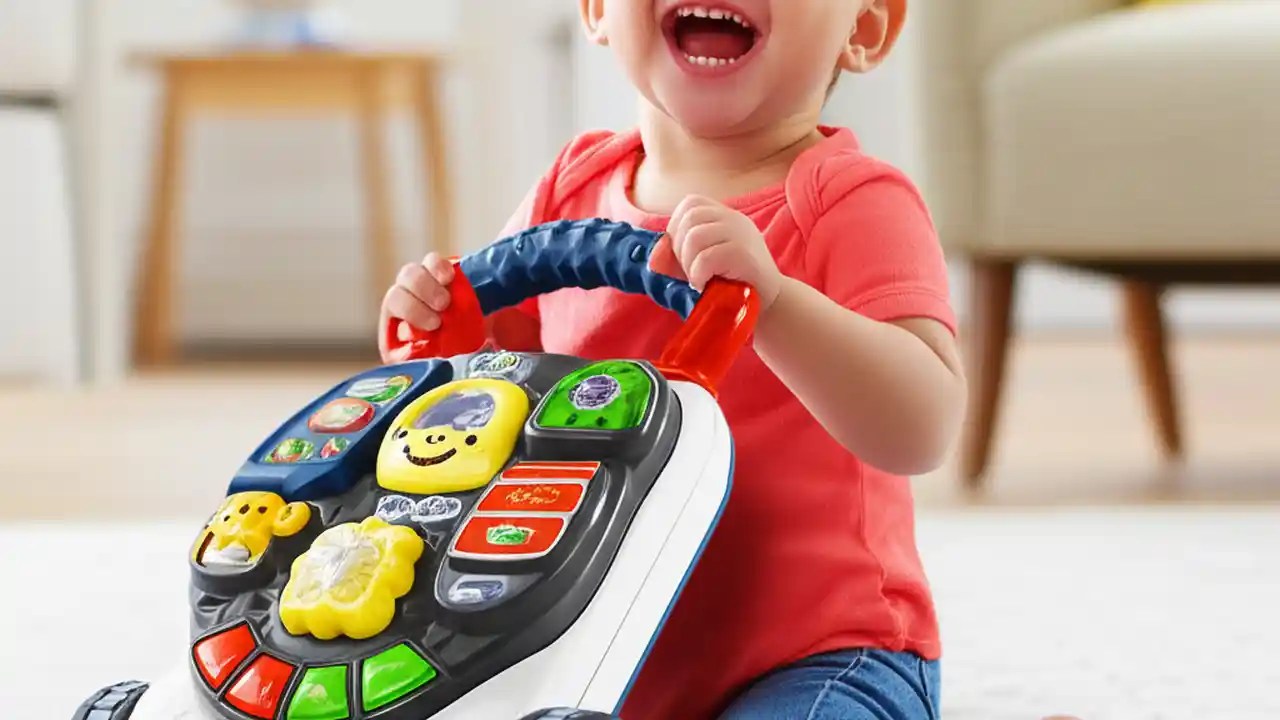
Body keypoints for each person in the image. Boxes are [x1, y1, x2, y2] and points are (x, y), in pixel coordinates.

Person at [380, 1, 966, 718]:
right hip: (595, 660)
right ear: (596, 9)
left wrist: (773, 304)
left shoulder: (850, 201)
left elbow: (923, 427)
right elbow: (491, 411)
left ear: (863, 28)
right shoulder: (568, 191)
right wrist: (439, 338)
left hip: (823, 657)